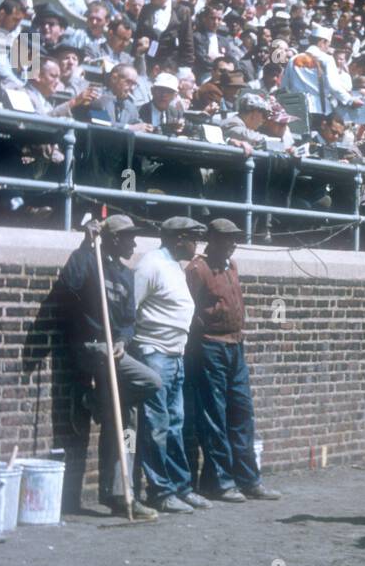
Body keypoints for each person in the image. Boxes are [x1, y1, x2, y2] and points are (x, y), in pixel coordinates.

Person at [58, 216, 162, 519]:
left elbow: (129, 322)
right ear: (114, 238)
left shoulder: (126, 275)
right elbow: (69, 284)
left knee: (127, 420)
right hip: (92, 345)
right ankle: (100, 402)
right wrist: (85, 243)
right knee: (151, 380)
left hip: (113, 351)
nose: (134, 243)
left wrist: (123, 341)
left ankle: (120, 493)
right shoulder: (92, 262)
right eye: (129, 237)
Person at [185, 219, 280, 502]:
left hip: (235, 345)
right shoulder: (198, 269)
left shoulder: (232, 266)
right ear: (212, 239)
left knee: (242, 413)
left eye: (235, 239)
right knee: (214, 415)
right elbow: (186, 309)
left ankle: (248, 478)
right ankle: (219, 482)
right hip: (209, 347)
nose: (232, 244)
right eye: (227, 239)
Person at [131, 216, 209, 514]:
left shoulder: (175, 266)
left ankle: (180, 487)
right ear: (178, 239)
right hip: (154, 355)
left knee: (175, 423)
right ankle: (160, 491)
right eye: (193, 239)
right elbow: (131, 310)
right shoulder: (150, 265)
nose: (196, 245)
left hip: (175, 356)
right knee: (156, 425)